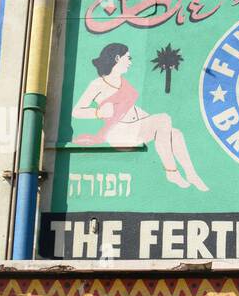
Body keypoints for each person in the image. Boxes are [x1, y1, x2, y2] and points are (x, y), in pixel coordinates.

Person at [72, 43, 208, 190]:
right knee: (164, 118)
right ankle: (171, 172)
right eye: (128, 58)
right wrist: (97, 113)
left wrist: (156, 124)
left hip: (134, 127)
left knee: (175, 134)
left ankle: (192, 174)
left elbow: (132, 109)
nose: (130, 62)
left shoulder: (124, 82)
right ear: (117, 58)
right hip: (118, 133)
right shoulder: (97, 84)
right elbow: (76, 111)